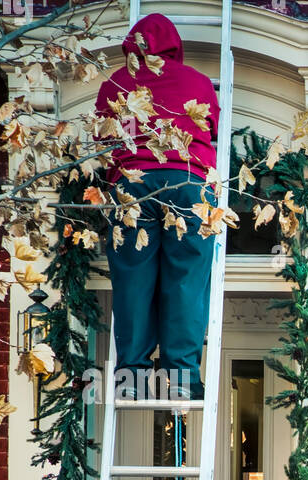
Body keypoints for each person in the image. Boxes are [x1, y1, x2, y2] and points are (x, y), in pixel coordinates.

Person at [95, 13, 220, 402]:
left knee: (133, 278)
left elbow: (108, 141)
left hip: (134, 187)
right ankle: (182, 374)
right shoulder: (197, 83)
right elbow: (211, 130)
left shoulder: (117, 84)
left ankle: (132, 372)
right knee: (186, 279)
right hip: (188, 182)